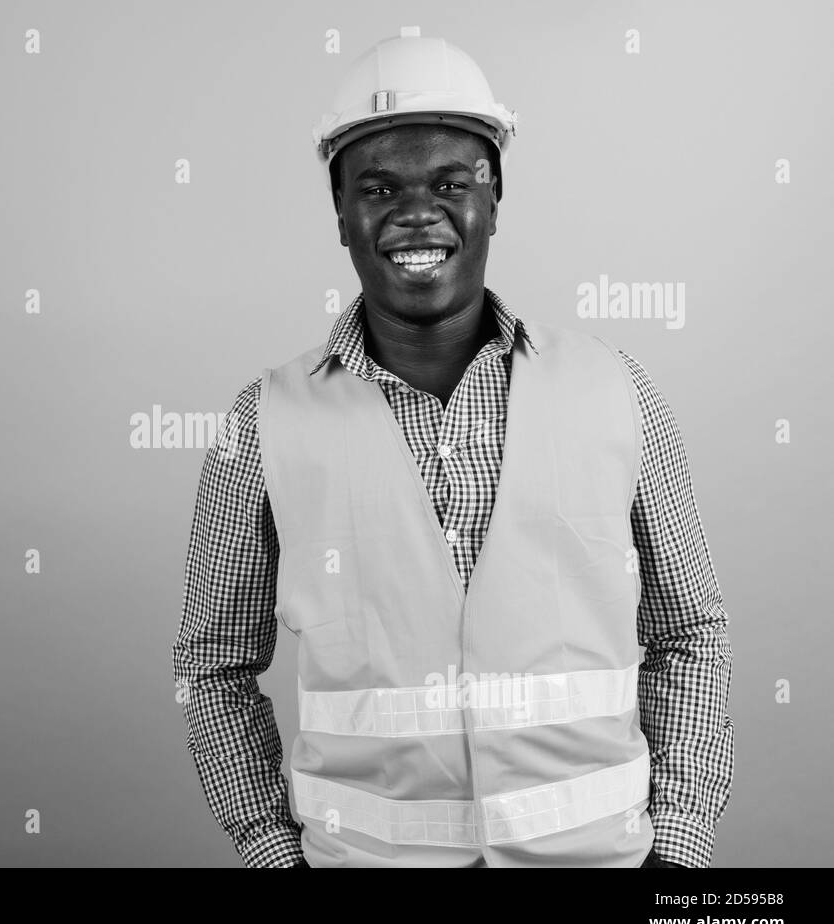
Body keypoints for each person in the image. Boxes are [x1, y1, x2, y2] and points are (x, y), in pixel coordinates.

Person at [171, 28, 732, 868]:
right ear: (340, 215)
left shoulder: (618, 391)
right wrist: (271, 850)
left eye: (450, 182)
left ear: (493, 199)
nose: (415, 212)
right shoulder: (261, 424)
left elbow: (692, 632)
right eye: (378, 187)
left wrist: (678, 853)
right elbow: (212, 663)